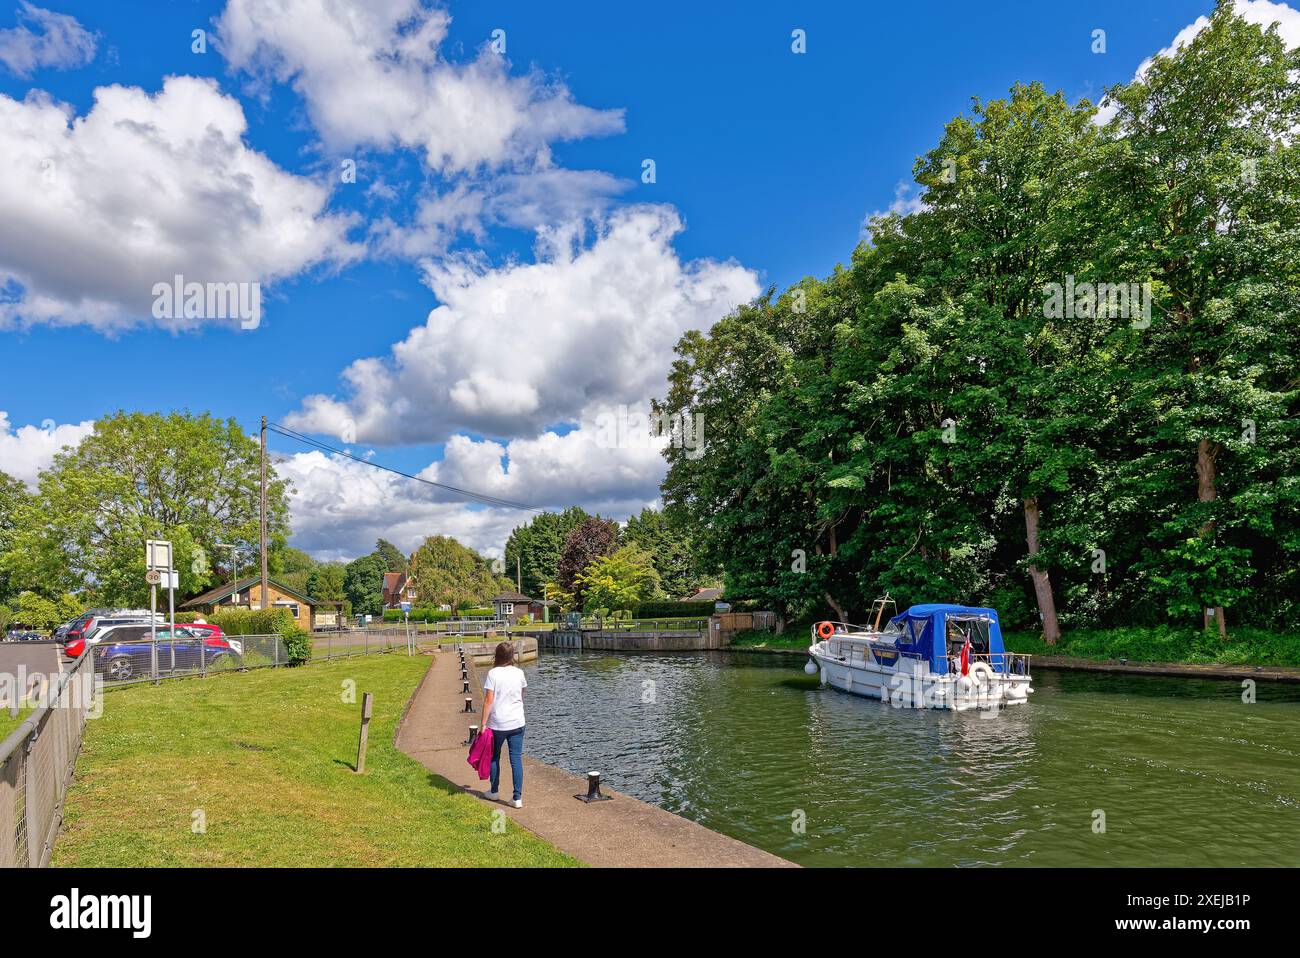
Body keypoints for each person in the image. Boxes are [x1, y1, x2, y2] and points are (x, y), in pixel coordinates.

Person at [481, 641, 527, 808]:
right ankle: (517, 798)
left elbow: (488, 701)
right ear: (511, 656)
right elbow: (521, 696)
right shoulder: (519, 673)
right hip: (517, 722)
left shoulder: (493, 674)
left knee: (494, 757)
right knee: (516, 759)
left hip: (498, 723)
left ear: (497, 656)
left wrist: (483, 724)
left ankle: (493, 791)